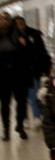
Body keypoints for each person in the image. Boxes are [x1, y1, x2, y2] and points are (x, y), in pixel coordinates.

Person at [13, 17, 51, 125]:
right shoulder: (10, 37)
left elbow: (41, 51)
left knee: (34, 93)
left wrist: (47, 67)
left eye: (21, 23)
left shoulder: (34, 34)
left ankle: (37, 116)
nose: (20, 26)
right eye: (17, 24)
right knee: (21, 97)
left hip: (33, 70)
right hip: (17, 72)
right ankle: (24, 117)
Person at [0, 11, 29, 140]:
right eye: (1, 19)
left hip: (19, 74)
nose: (4, 21)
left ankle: (20, 125)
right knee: (5, 103)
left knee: (21, 102)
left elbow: (29, 52)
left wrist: (25, 45)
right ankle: (6, 129)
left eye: (6, 18)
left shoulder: (18, 33)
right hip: (3, 76)